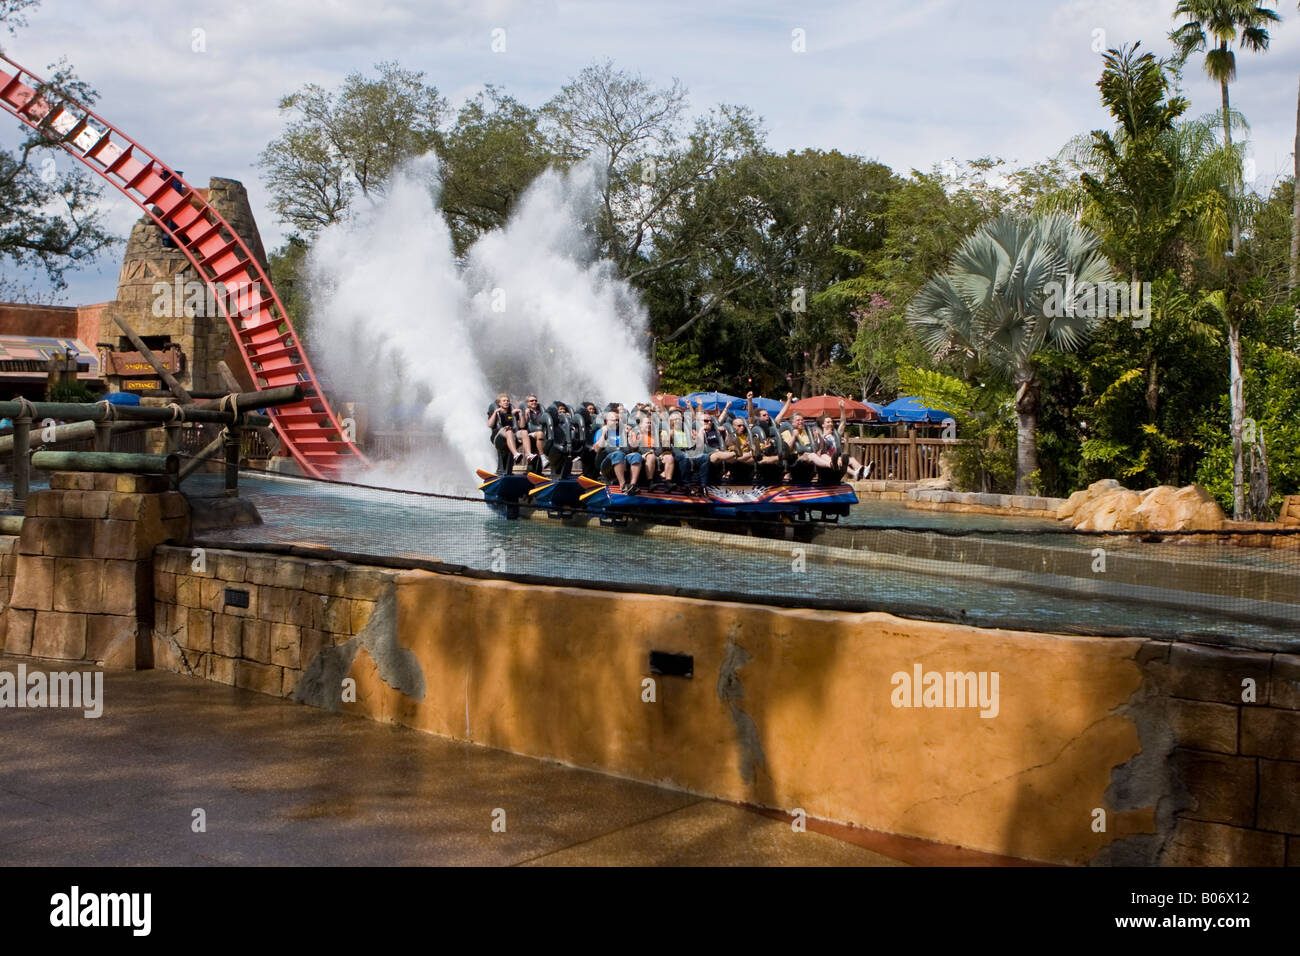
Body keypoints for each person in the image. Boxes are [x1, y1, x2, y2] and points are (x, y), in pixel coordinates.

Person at [593, 409, 642, 492]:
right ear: (607, 421)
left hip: (622, 460)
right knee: (618, 454)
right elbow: (596, 449)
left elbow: (632, 449)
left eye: (618, 420)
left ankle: (632, 485)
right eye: (614, 420)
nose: (616, 422)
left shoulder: (623, 431)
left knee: (637, 456)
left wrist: (629, 436)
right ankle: (622, 485)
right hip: (607, 463)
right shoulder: (601, 431)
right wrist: (604, 434)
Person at [746, 391, 784, 485]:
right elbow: (751, 414)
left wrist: (788, 401)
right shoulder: (756, 424)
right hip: (760, 454)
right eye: (764, 415)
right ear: (758, 417)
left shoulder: (772, 425)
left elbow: (781, 415)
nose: (767, 417)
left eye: (767, 415)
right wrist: (749, 400)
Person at [542, 400, 582, 478]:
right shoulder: (553, 422)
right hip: (555, 447)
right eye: (560, 409)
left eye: (564, 409)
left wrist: (569, 419)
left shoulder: (569, 422)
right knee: (557, 463)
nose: (562, 411)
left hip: (569, 447)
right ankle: (555, 475)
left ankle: (565, 475)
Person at [487, 393, 523, 471]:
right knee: (509, 431)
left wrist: (520, 414)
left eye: (507, 401)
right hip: (498, 436)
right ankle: (515, 454)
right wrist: (495, 413)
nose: (506, 402)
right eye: (504, 401)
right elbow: (489, 425)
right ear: (499, 403)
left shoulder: (512, 413)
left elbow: (522, 426)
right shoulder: (496, 412)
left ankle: (529, 456)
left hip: (511, 435)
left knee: (524, 433)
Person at [516, 394, 546, 471]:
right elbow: (522, 426)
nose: (534, 402)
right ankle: (543, 458)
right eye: (531, 401)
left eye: (535, 400)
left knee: (541, 435)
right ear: (527, 403)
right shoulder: (523, 411)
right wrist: (525, 415)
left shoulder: (541, 411)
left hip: (541, 434)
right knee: (540, 434)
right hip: (529, 434)